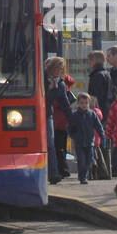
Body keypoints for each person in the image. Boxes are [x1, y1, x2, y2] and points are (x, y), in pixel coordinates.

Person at [45, 56, 73, 185]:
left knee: (51, 144)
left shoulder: (60, 84)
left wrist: (72, 120)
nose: (59, 71)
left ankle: (53, 174)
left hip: (47, 114)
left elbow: (65, 104)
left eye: (61, 69)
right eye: (57, 68)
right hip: (36, 114)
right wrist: (49, 89)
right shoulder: (42, 79)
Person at [87, 51, 113, 176]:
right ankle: (107, 170)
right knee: (104, 141)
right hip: (106, 110)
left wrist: (92, 108)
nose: (89, 63)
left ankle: (102, 172)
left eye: (90, 60)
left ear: (95, 60)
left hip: (98, 111)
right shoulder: (107, 74)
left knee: (97, 143)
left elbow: (95, 97)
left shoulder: (96, 76)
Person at [51, 70, 77, 179]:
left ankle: (62, 169)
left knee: (58, 147)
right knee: (62, 147)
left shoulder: (59, 85)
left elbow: (56, 103)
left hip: (57, 121)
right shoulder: (66, 85)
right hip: (63, 121)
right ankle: (64, 169)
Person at [68, 93, 98, 184]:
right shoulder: (75, 115)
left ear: (89, 103)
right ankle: (83, 177)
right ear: (78, 103)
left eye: (86, 103)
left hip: (89, 142)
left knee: (89, 161)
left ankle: (84, 174)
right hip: (79, 143)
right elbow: (69, 127)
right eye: (82, 103)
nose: (84, 105)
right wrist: (73, 136)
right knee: (81, 160)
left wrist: (102, 135)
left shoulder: (92, 114)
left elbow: (98, 125)